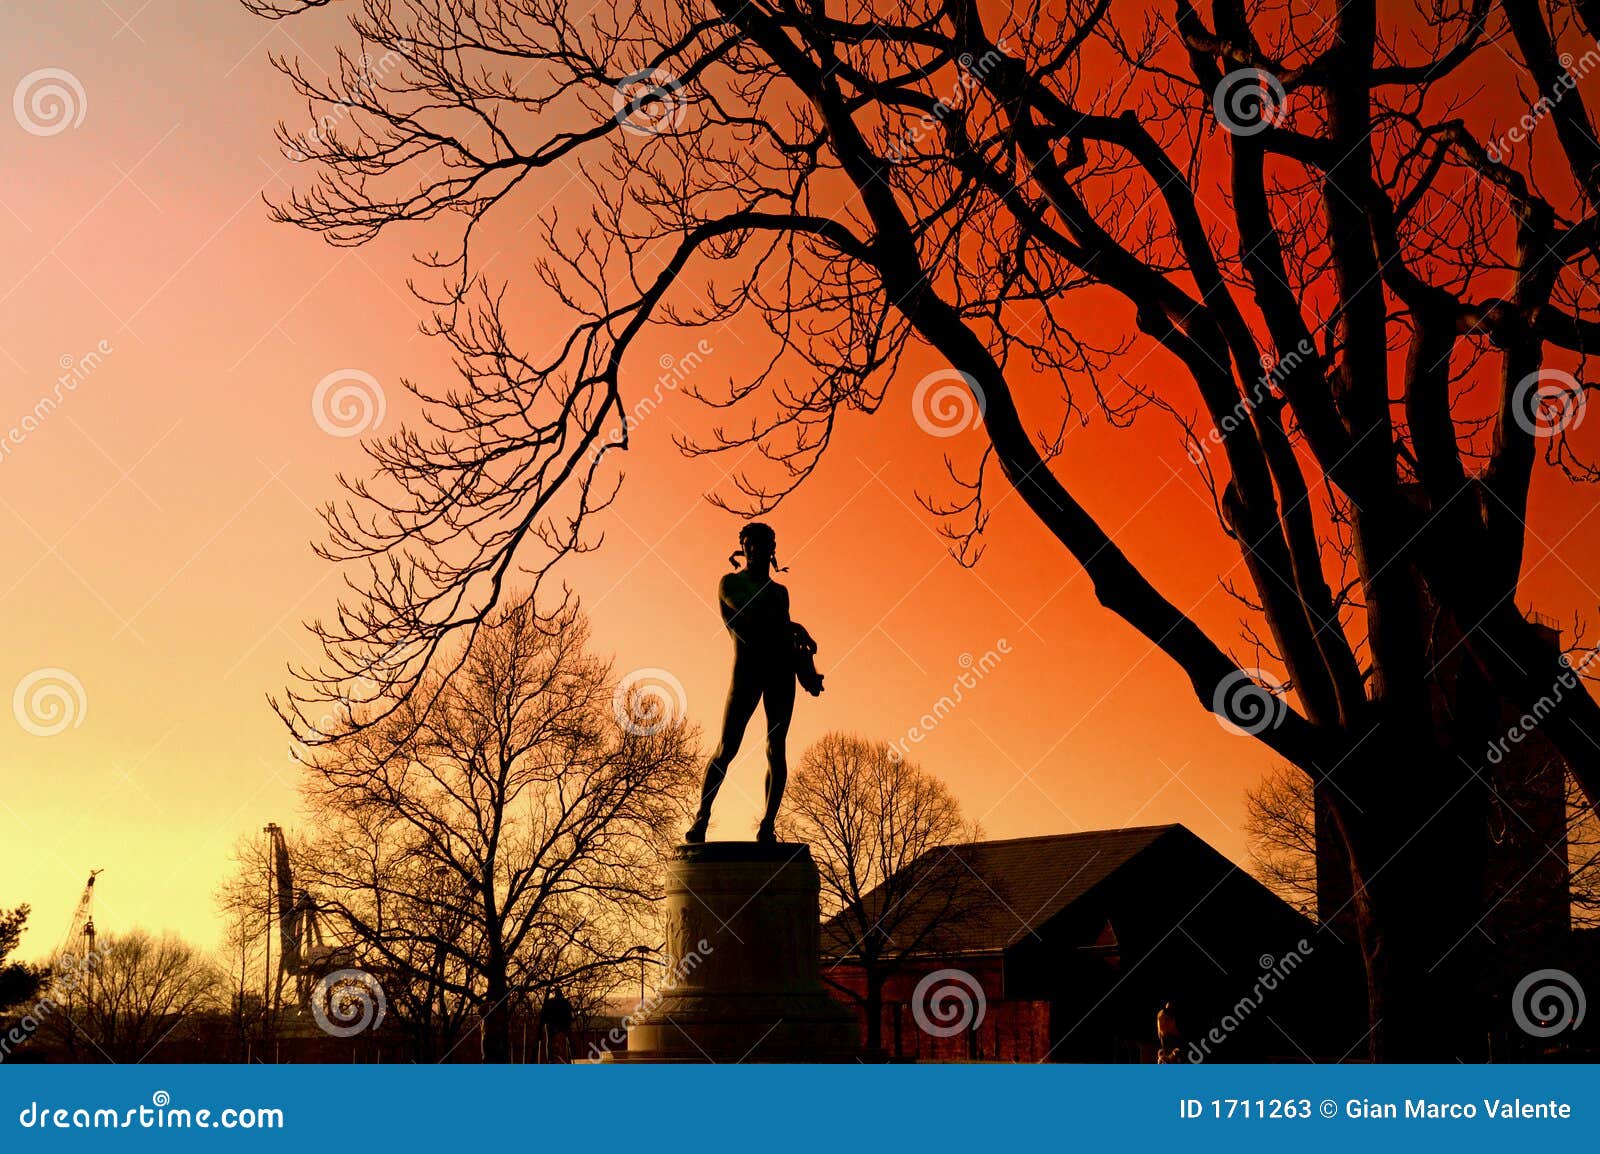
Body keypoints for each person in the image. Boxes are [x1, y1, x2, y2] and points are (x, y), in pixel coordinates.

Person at [686, 522, 821, 843]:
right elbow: (754, 617)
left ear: (772, 549)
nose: (754, 550)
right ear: (742, 547)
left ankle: (768, 825)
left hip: (780, 673)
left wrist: (806, 666)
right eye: (749, 543)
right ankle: (701, 819)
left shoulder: (780, 591)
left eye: (762, 544)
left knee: (776, 749)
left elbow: (779, 635)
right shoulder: (732, 584)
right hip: (746, 672)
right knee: (726, 748)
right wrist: (794, 626)